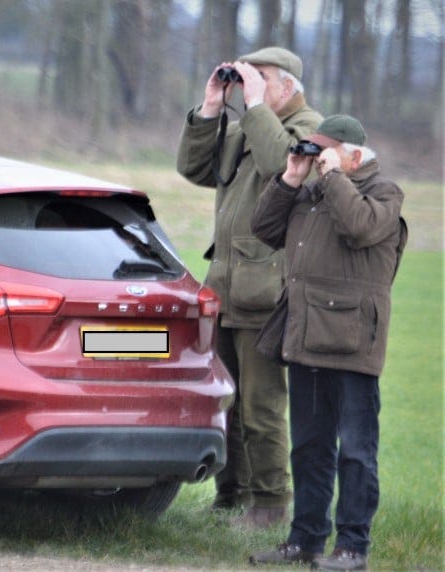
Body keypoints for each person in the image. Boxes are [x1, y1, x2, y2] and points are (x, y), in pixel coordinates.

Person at [249, 115, 407, 570]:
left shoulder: (384, 193)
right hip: (306, 335)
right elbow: (264, 230)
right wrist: (289, 180)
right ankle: (305, 541)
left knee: (356, 452)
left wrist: (334, 174)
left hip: (354, 343)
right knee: (309, 446)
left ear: (355, 154)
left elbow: (359, 226)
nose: (316, 157)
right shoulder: (311, 191)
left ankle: (352, 548)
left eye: (325, 150)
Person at [176, 47, 322, 526]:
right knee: (228, 403)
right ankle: (231, 497)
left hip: (267, 290)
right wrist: (212, 107)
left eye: (260, 79)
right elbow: (193, 170)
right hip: (225, 287)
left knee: (261, 407)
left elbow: (284, 164)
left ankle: (272, 504)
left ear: (288, 87)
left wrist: (255, 106)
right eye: (247, 78)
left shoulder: (308, 129)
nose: (249, 85)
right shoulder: (244, 129)